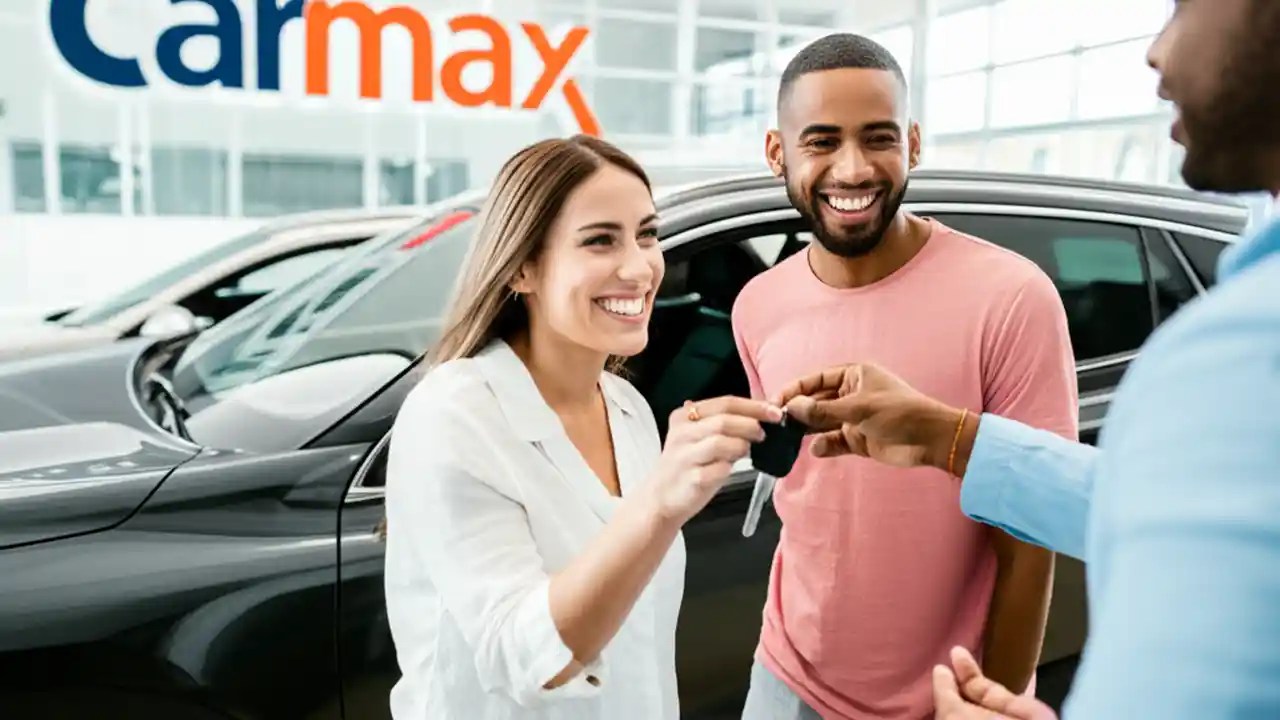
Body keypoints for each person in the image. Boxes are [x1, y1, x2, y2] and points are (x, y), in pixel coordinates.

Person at [774, 2, 1280, 718]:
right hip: (788, 663)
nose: (1156, 50)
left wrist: (1010, 690)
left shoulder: (1232, 358)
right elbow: (1137, 501)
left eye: (1184, 4)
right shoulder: (758, 301)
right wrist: (952, 438)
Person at [732, 33, 1078, 720]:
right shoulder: (757, 305)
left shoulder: (1010, 297)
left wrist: (998, 702)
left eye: (879, 139)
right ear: (779, 153)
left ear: (913, 145)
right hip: (783, 674)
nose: (853, 169)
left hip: (946, 697)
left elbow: (1031, 544)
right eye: (823, 141)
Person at [381, 135, 783, 719]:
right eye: (600, 241)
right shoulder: (454, 413)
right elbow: (525, 658)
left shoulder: (625, 408)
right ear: (522, 267)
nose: (639, 266)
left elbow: (639, 650)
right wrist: (659, 507)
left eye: (647, 234)